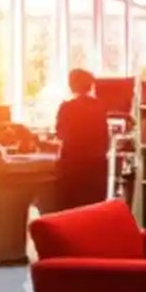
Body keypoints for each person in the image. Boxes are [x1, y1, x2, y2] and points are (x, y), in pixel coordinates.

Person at [55, 69, 110, 210]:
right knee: (93, 209)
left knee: (71, 208)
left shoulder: (67, 107)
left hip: (73, 166)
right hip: (96, 165)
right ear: (90, 85)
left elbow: (61, 134)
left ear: (71, 85)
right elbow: (105, 136)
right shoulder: (99, 106)